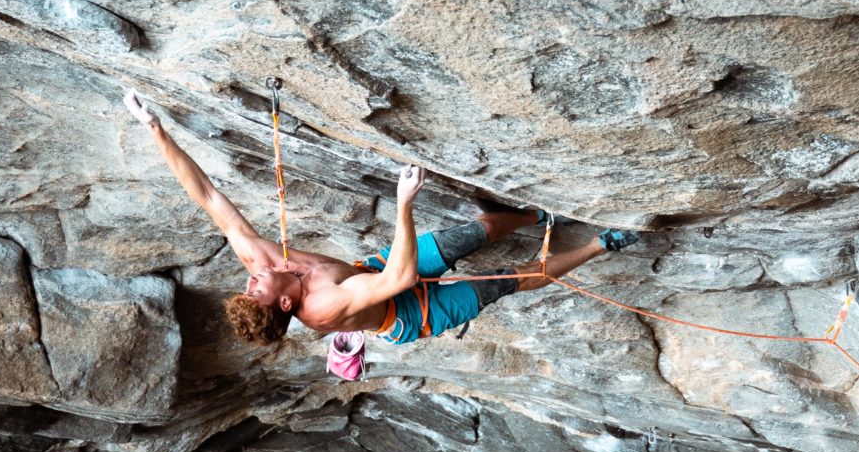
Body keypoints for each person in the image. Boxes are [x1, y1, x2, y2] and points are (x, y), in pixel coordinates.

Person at [125, 89, 638, 348]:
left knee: (473, 233)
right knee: (503, 282)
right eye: (256, 287)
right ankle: (601, 245)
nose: (253, 275)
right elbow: (402, 279)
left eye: (250, 280)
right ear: (286, 300)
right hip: (410, 313)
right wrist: (403, 203)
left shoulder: (269, 262)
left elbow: (210, 198)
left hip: (376, 272)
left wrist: (155, 130)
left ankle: (530, 214)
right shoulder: (323, 306)